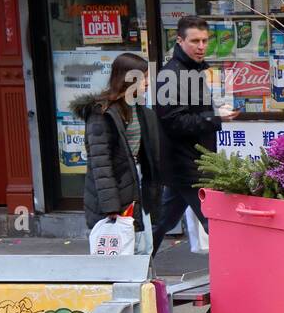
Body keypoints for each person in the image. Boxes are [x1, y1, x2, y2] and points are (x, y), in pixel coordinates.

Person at [152, 15, 239, 254]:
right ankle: (237, 272)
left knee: (163, 222)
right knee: (216, 223)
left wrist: (214, 114)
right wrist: (214, 117)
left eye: (205, 40)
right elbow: (173, 121)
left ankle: (136, 266)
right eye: (195, 41)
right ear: (179, 41)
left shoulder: (191, 70)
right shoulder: (171, 75)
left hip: (189, 163)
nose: (201, 46)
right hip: (189, 165)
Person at [72, 53, 159, 251]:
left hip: (137, 183)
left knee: (143, 245)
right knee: (124, 248)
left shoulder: (139, 109)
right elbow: (100, 163)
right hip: (118, 186)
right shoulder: (102, 113)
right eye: (143, 77)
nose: (147, 82)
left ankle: (144, 282)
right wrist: (110, 206)